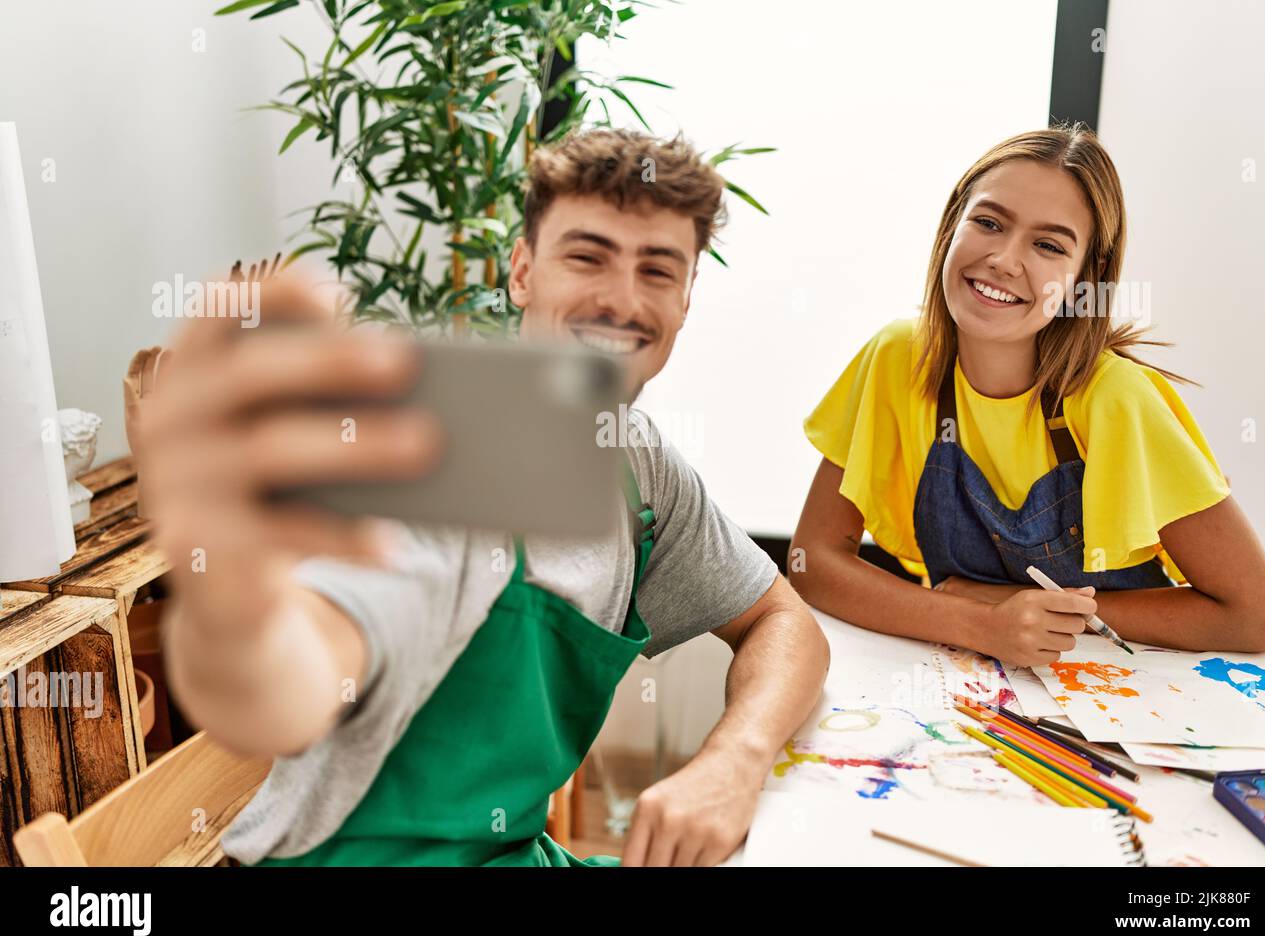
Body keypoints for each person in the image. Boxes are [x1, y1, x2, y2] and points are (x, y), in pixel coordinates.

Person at [139, 127, 828, 867]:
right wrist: (234, 607)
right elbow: (291, 683)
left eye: (658, 271)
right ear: (523, 271)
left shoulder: (639, 470)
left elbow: (782, 619)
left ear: (686, 301)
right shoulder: (433, 457)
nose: (621, 300)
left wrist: (735, 759)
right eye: (588, 256)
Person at [790, 124, 1265, 667]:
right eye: (988, 222)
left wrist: (1022, 609)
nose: (1005, 259)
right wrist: (983, 623)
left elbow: (1254, 617)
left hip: (1113, 693)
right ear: (951, 226)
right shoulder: (898, 358)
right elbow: (811, 561)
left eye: (1048, 245)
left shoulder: (1115, 400)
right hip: (965, 680)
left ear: (1085, 278)